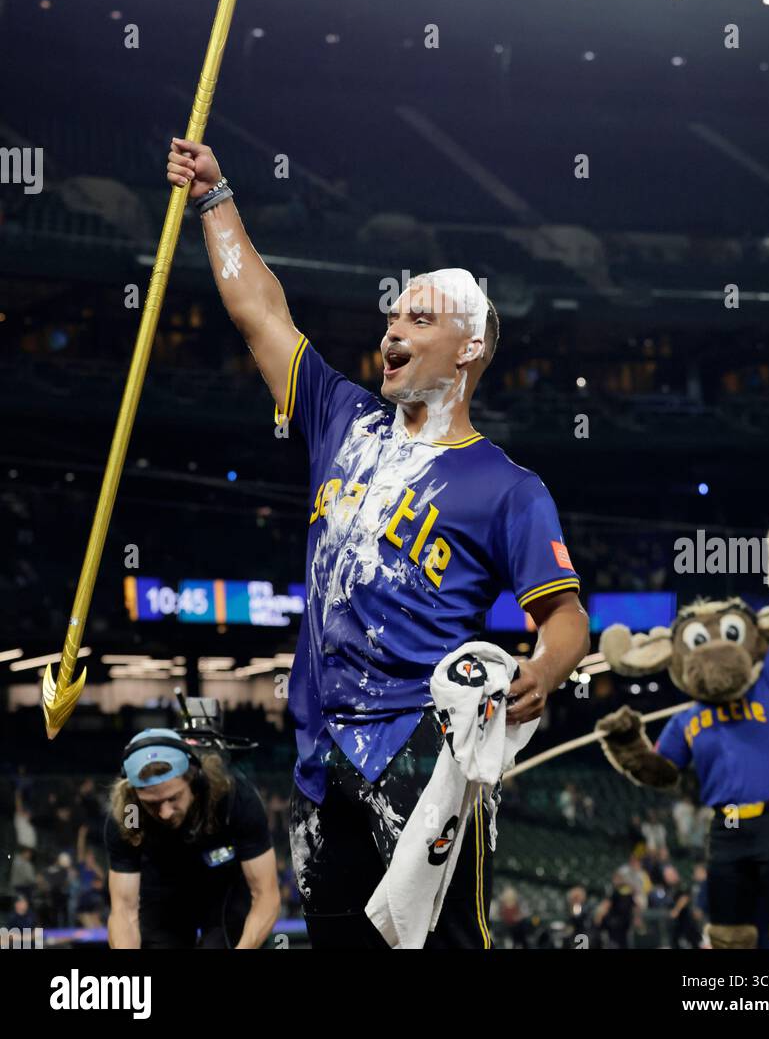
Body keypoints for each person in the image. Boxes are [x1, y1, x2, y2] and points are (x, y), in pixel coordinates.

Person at [166, 138, 590, 949]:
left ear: (467, 350)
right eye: (392, 315)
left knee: (437, 944)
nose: (392, 328)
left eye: (418, 318)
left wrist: (543, 668)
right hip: (321, 755)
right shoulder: (342, 418)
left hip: (423, 751)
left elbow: (566, 617)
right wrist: (216, 201)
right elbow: (258, 310)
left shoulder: (507, 487)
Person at [104, 729, 280, 949]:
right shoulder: (127, 814)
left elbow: (266, 896)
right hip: (162, 891)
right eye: (152, 803)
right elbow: (123, 910)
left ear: (194, 781)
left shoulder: (233, 796)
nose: (165, 813)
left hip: (223, 888)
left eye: (173, 798)